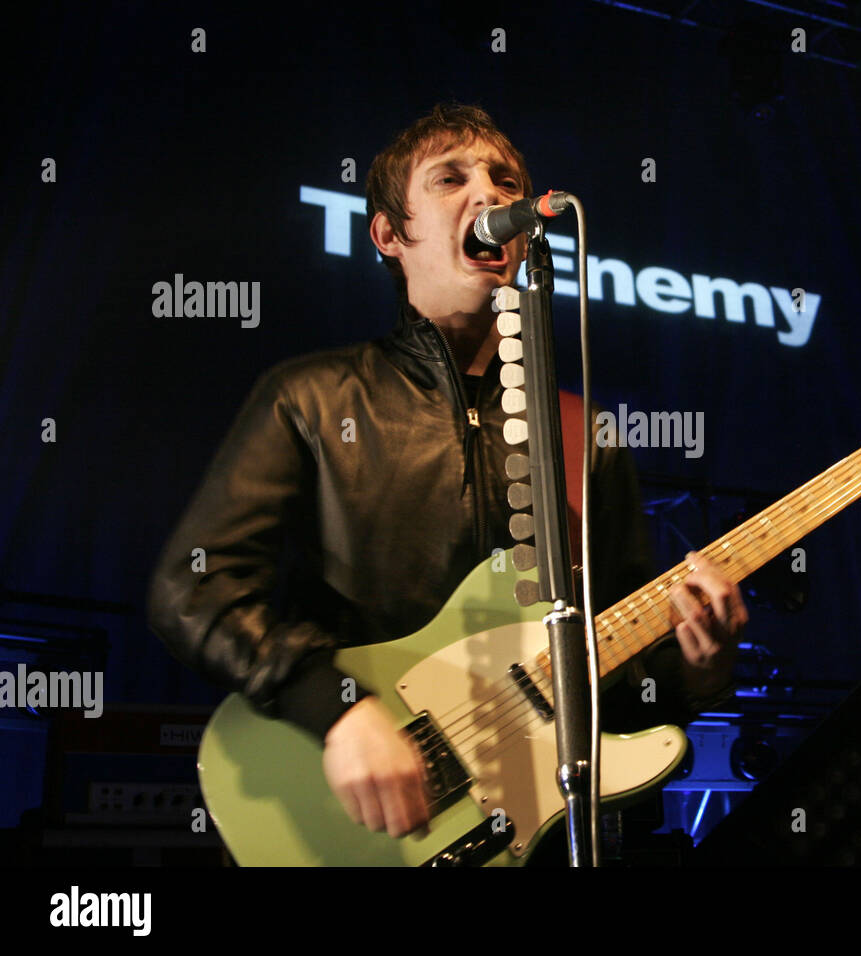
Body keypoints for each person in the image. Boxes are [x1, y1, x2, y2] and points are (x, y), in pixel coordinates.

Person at [146, 103, 747, 845]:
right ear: (391, 235)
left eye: (506, 179)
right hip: (349, 816)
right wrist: (335, 707)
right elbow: (194, 588)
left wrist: (699, 668)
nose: (490, 194)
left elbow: (621, 701)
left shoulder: (586, 436)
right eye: (451, 177)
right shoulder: (311, 396)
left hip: (541, 836)